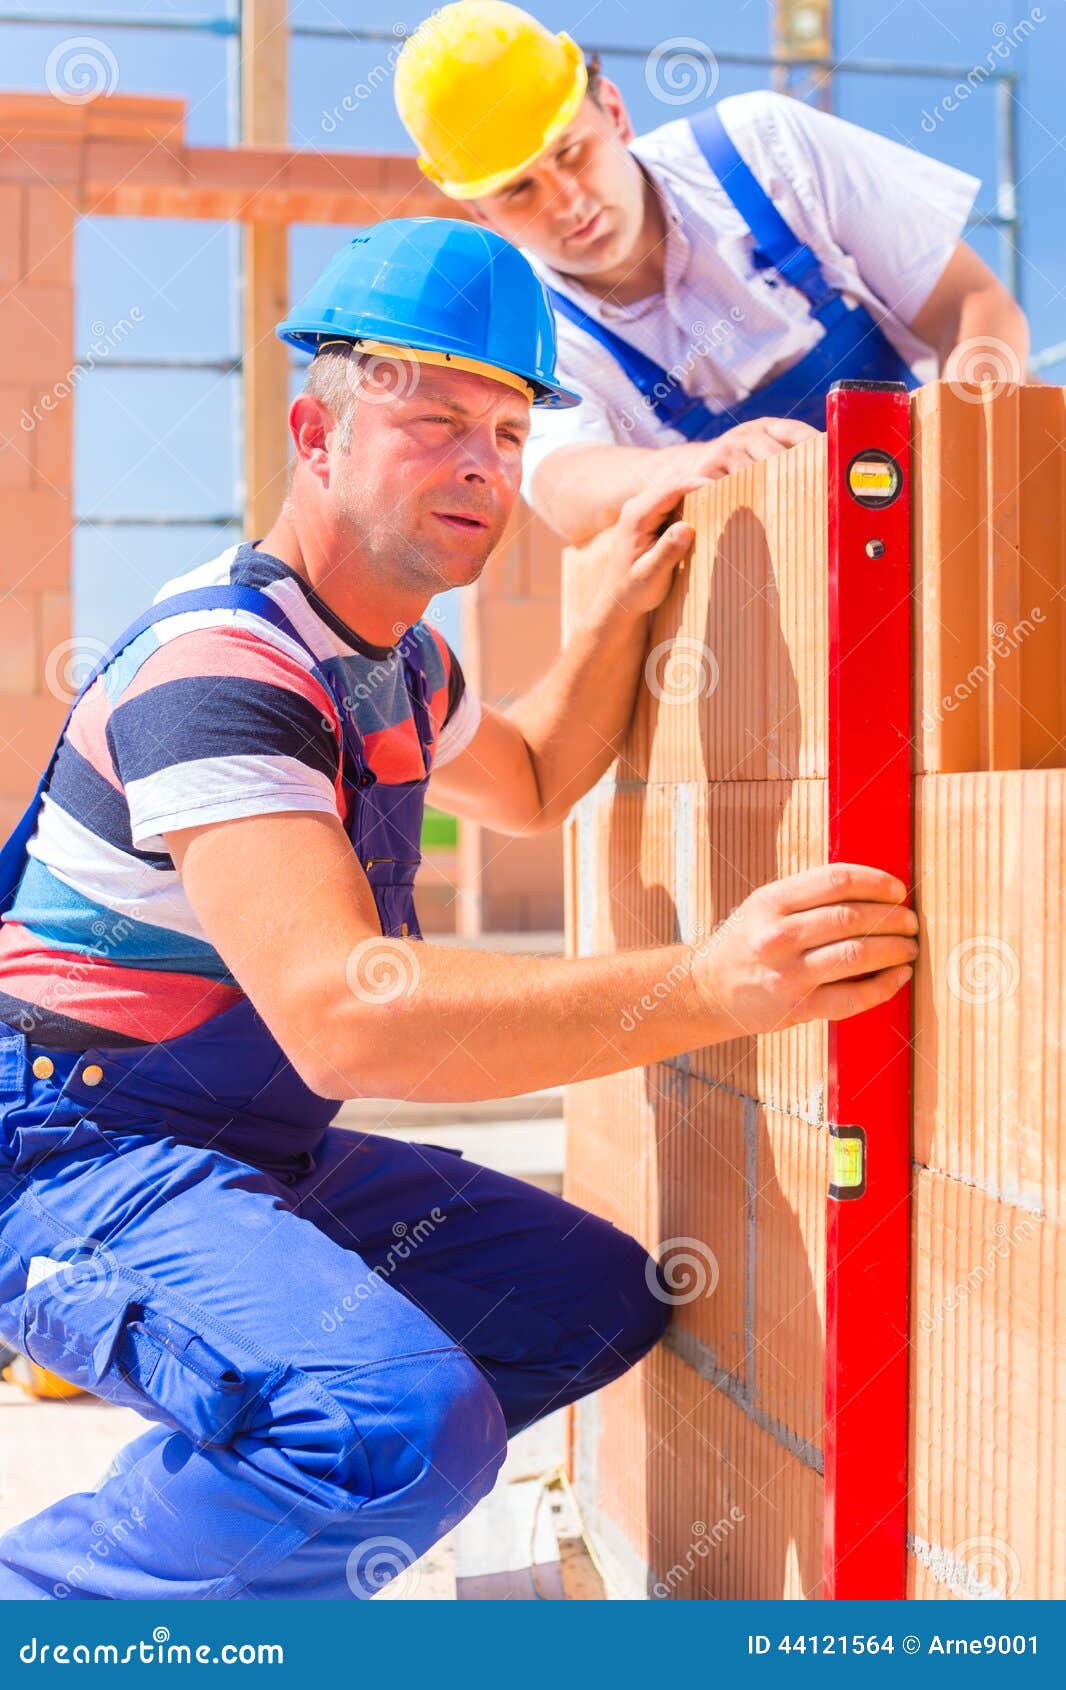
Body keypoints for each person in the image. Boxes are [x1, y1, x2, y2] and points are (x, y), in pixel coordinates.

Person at [0, 217, 918, 1600]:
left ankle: (223, 1519)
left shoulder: (398, 662)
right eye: (432, 422)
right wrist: (715, 983)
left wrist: (614, 603)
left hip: (251, 1152)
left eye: (505, 429)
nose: (483, 464)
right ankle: (61, 1614)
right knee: (393, 1426)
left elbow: (539, 773)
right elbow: (342, 1019)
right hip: (72, 1155)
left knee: (582, 1298)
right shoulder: (222, 668)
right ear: (316, 434)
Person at [395, 0, 1029, 542]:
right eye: (519, 191)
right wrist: (705, 462)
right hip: (774, 597)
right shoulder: (533, 331)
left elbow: (969, 305)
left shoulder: (762, 151)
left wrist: (970, 455)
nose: (568, 202)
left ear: (613, 111)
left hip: (952, 498)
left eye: (572, 153)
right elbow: (565, 483)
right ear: (480, 210)